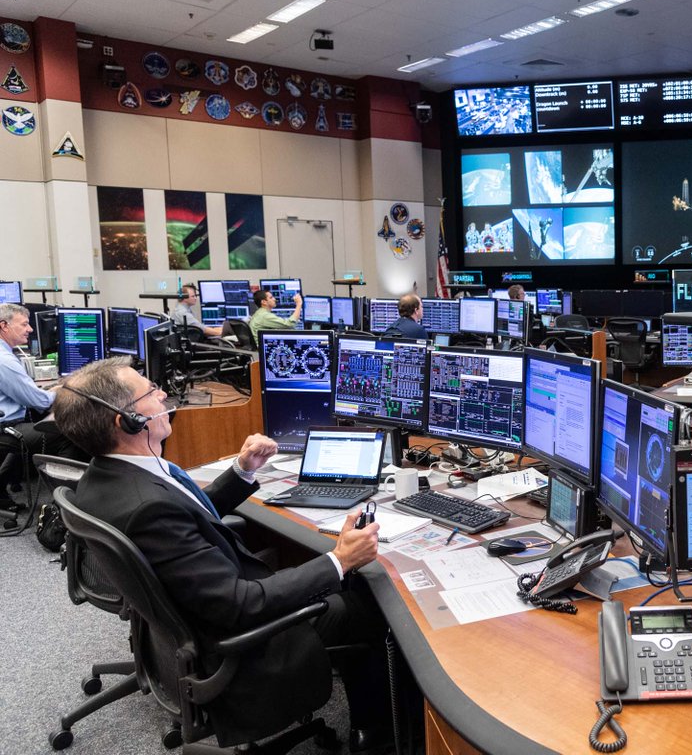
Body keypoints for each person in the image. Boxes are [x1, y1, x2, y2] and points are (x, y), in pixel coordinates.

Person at [52, 357, 398, 752]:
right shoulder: (147, 507)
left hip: (198, 612)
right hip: (240, 638)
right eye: (150, 391)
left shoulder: (112, 476)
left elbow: (188, 518)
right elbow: (241, 605)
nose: (163, 394)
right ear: (127, 421)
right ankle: (376, 735)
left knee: (325, 571)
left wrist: (242, 471)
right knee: (370, 604)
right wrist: (340, 560)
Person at [0, 303, 87, 509]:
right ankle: (64, 503)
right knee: (68, 433)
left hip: (7, 422)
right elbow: (39, 401)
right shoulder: (4, 361)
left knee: (39, 424)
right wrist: (65, 389)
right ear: (4, 326)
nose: (30, 329)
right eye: (24, 324)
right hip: (5, 428)